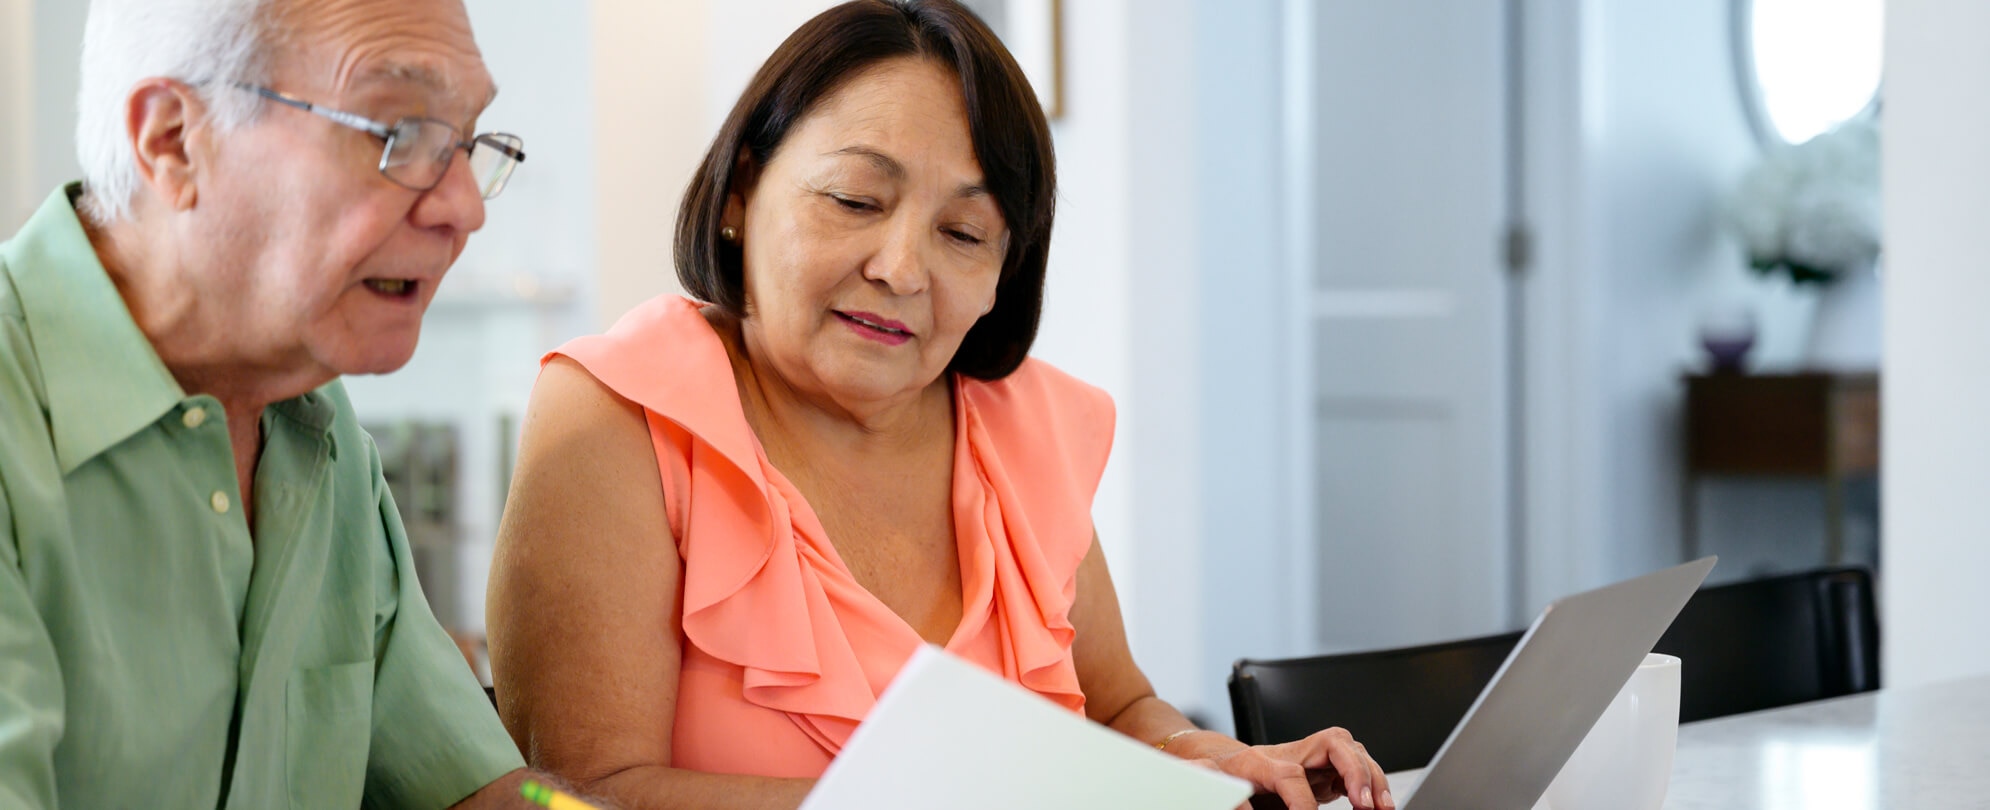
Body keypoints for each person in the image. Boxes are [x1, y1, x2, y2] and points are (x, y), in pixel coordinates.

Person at [486, 2, 1393, 809]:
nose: (901, 269)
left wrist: (1203, 759)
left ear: (1005, 271)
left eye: (963, 232)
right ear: (738, 194)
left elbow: (1119, 705)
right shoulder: (618, 414)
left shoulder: (1024, 425)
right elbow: (576, 795)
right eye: (854, 199)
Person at [0, 0, 586, 806]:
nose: (465, 209)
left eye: (462, 143)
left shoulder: (315, 422)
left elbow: (481, 792)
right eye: (396, 135)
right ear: (173, 140)